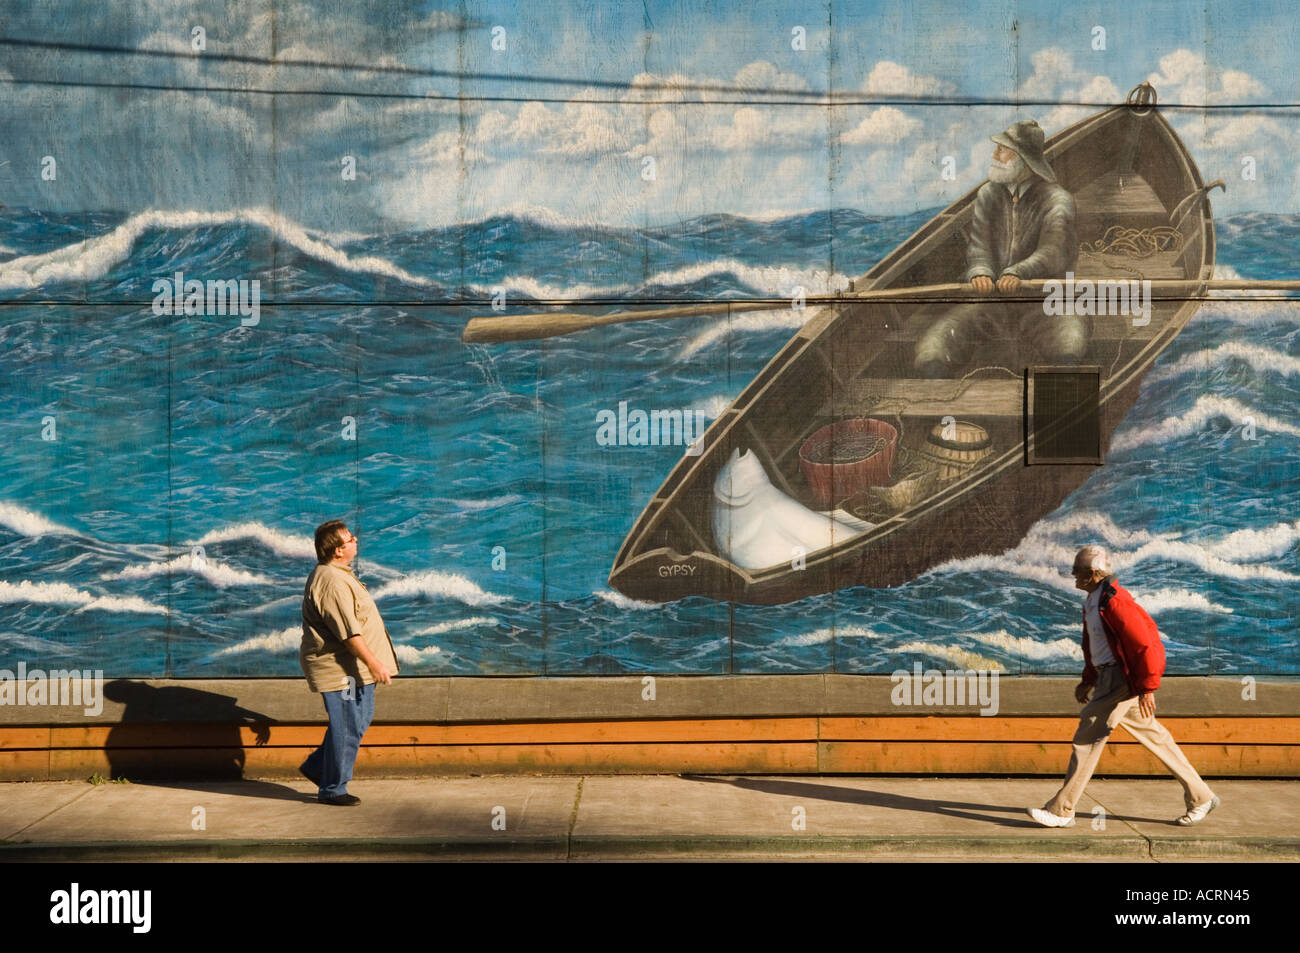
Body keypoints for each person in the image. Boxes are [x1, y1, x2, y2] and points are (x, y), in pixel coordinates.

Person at [1028, 545, 1219, 827]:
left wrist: (1147, 687)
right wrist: (1089, 679)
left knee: (1088, 737)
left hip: (1121, 679)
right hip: (1109, 677)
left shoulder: (1115, 601)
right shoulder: (1094, 600)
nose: (1072, 575)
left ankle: (1061, 810)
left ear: (1093, 574)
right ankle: (1201, 796)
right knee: (1154, 736)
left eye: (1077, 571)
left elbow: (1145, 644)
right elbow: (1096, 644)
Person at [914, 119, 1082, 378]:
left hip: (1045, 302)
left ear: (1022, 160)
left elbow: (1054, 252)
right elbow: (979, 247)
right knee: (933, 347)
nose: (994, 155)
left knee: (1070, 343)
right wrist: (981, 272)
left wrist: (1018, 272)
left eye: (1002, 150)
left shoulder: (1058, 201)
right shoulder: (988, 195)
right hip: (994, 303)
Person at [298, 520, 399, 805]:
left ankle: (319, 767)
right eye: (350, 538)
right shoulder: (332, 581)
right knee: (347, 727)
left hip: (352, 668)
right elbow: (348, 633)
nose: (356, 540)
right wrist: (374, 663)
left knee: (355, 721)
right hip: (341, 669)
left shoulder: (339, 574)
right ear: (338, 550)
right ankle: (332, 788)